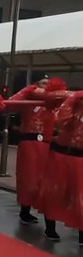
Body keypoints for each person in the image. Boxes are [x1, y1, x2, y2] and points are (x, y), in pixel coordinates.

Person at [8, 74, 66, 230]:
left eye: (48, 83)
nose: (45, 86)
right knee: (28, 178)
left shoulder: (52, 103)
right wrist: (29, 89)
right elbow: (11, 103)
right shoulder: (28, 97)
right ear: (35, 84)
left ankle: (42, 214)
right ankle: (24, 210)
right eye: (42, 83)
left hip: (46, 146)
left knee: (44, 181)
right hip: (29, 144)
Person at [36, 90, 83, 245]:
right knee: (55, 192)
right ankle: (50, 227)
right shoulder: (73, 102)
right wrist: (74, 97)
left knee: (80, 196)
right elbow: (60, 119)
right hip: (62, 155)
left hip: (80, 159)